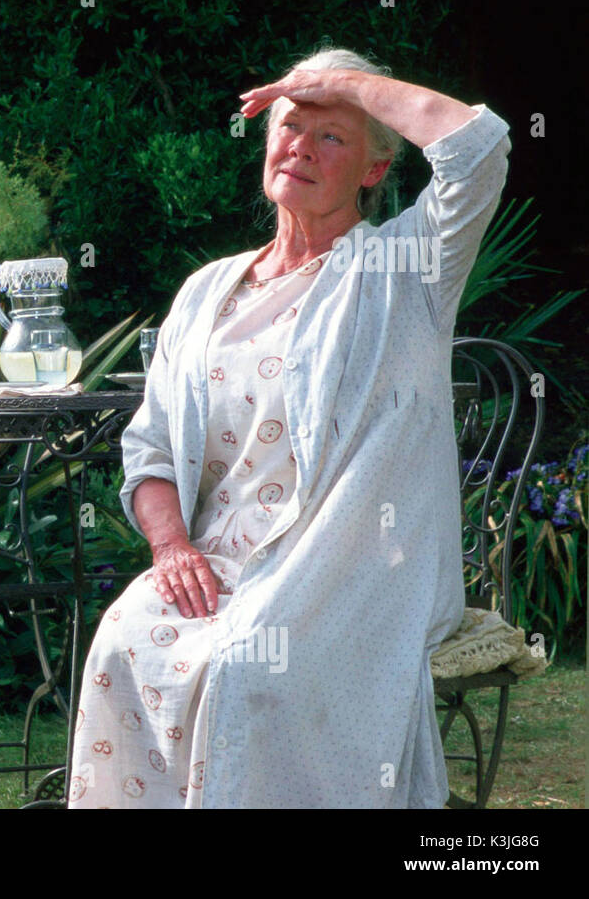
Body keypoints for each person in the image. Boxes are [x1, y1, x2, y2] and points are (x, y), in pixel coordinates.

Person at [68, 48, 511, 808]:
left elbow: (478, 149)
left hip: (351, 565)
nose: (302, 145)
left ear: (374, 170)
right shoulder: (207, 290)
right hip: (215, 564)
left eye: (332, 135)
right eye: (290, 124)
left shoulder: (405, 268)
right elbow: (148, 447)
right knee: (120, 641)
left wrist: (342, 84)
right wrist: (171, 546)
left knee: (248, 668)